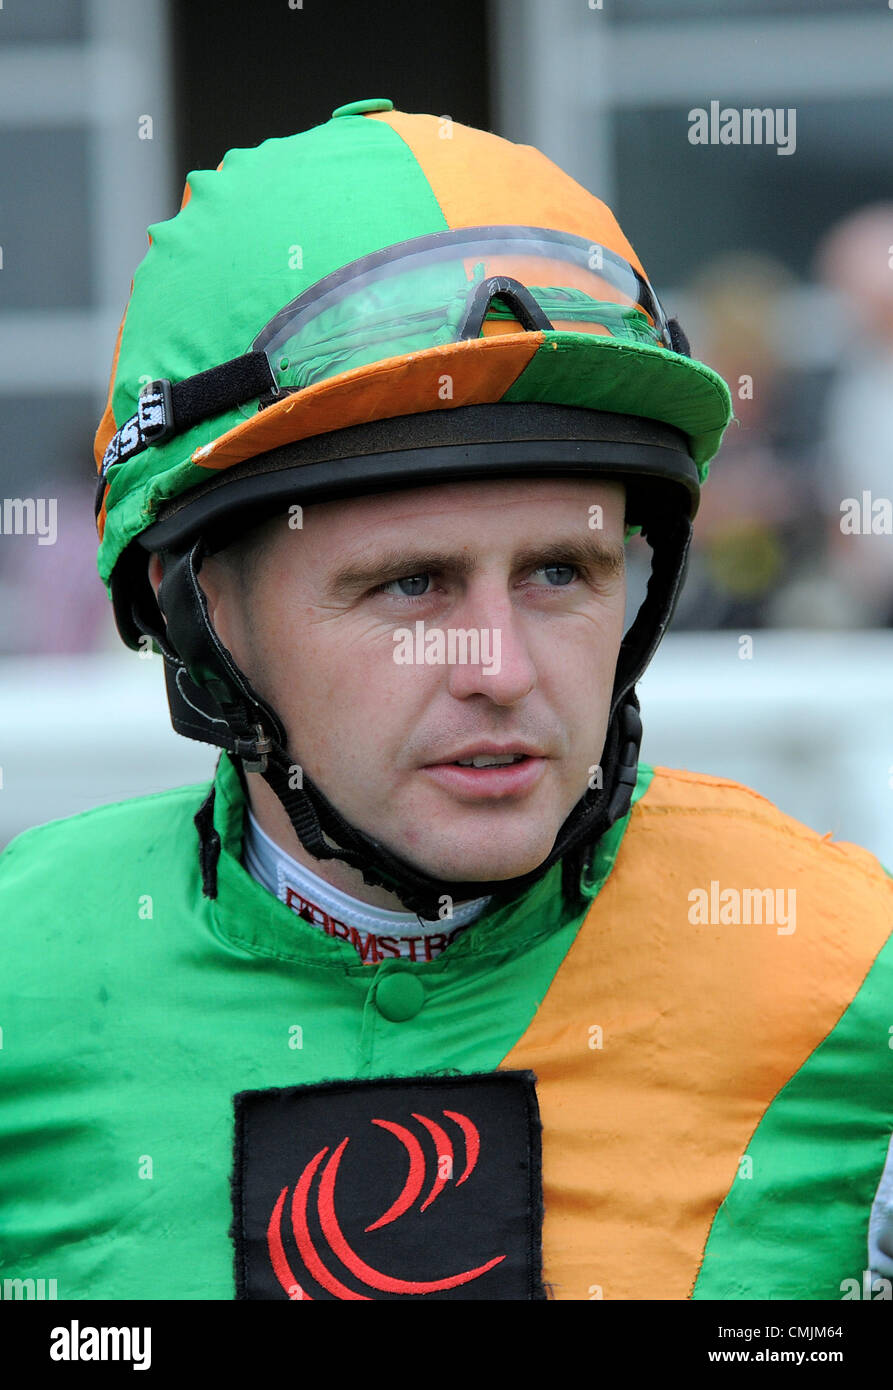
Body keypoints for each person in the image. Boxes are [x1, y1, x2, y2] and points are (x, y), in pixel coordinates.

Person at [1, 100, 891, 1304]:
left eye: (558, 572)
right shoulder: (22, 984)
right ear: (196, 610)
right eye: (408, 584)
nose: (502, 669)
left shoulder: (853, 974)